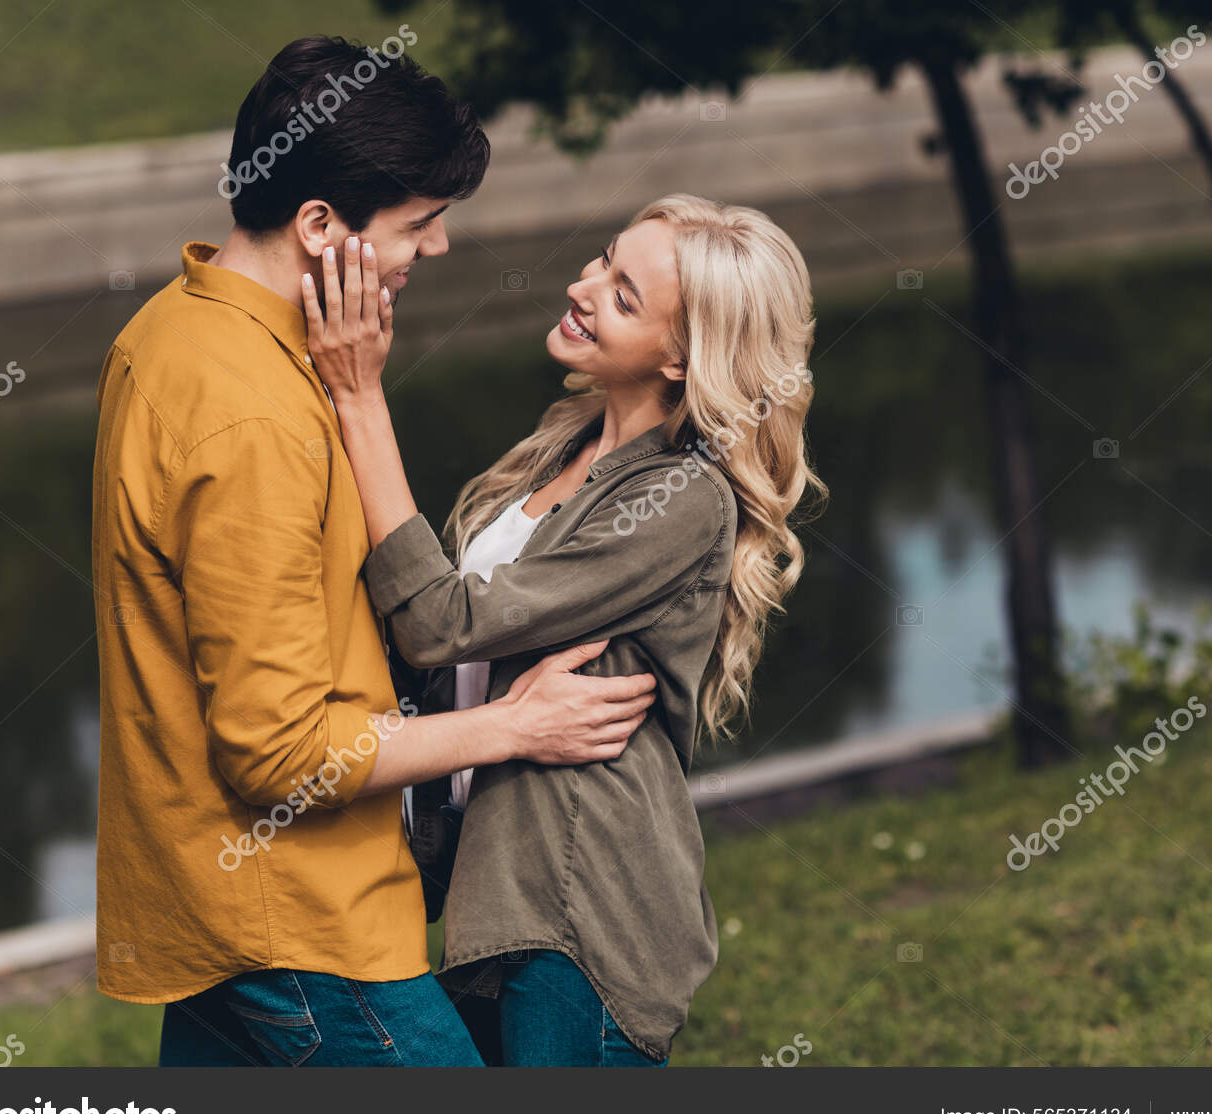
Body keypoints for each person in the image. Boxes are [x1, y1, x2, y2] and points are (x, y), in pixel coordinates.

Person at [91, 34, 657, 1068]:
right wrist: (512, 726)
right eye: (419, 224)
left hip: (210, 902)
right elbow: (277, 753)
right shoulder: (254, 414)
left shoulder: (171, 331)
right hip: (300, 923)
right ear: (319, 225)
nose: (433, 249)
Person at [304, 192, 824, 1065]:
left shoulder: (681, 496)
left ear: (681, 358)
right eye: (604, 261)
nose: (585, 288)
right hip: (500, 890)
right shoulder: (566, 442)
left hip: (583, 909)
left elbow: (443, 621)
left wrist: (360, 395)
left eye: (624, 297)